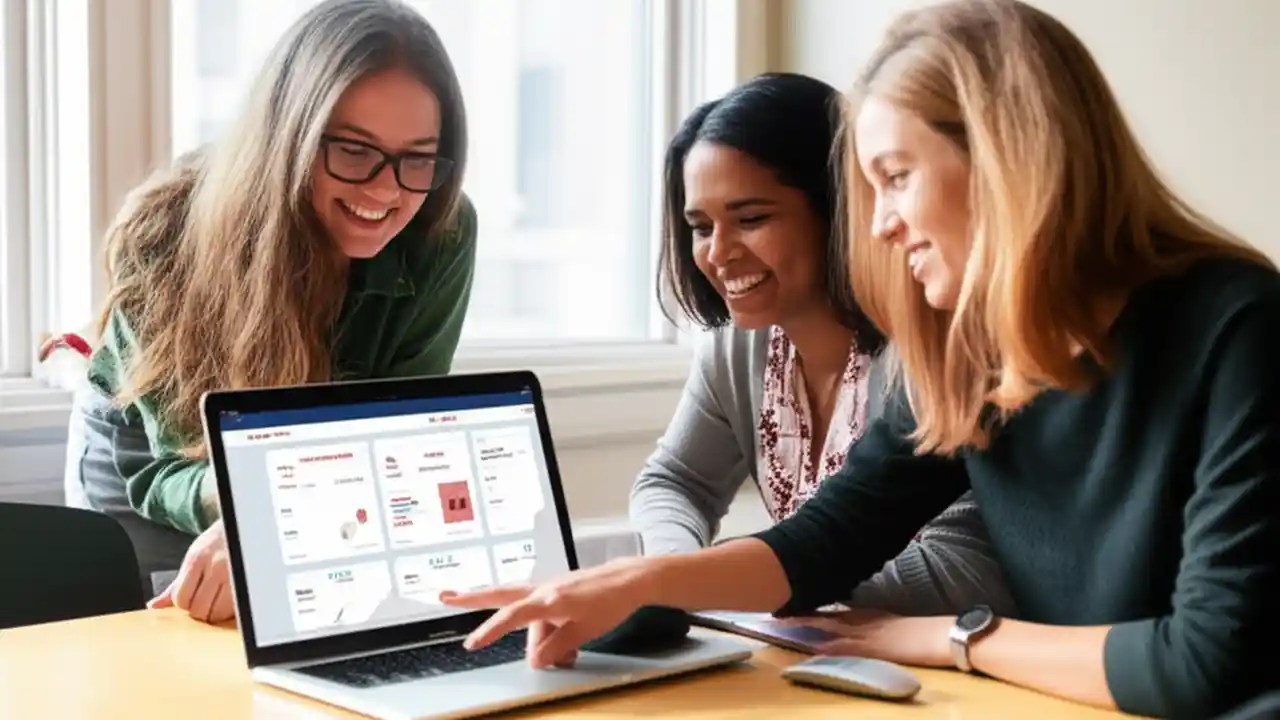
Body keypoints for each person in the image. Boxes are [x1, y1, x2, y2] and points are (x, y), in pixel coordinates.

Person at [441, 1, 1279, 717]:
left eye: (897, 177)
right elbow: (821, 544)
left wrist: (959, 640)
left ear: (1001, 160)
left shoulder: (1239, 325)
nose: (876, 226)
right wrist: (631, 584)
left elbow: (1205, 661)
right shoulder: (969, 348)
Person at [63, 0, 475, 624]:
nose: (387, 190)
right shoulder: (169, 229)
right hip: (153, 462)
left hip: (311, 479)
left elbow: (400, 434)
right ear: (290, 135)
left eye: (417, 157)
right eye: (354, 150)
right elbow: (164, 470)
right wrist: (262, 515)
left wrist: (282, 516)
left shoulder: (443, 225)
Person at [632, 72, 1012, 616]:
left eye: (752, 218)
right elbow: (675, 481)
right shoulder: (733, 353)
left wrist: (729, 585)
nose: (718, 253)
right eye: (699, 226)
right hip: (826, 648)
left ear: (838, 208)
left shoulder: (933, 349)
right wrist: (679, 577)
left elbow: (959, 569)